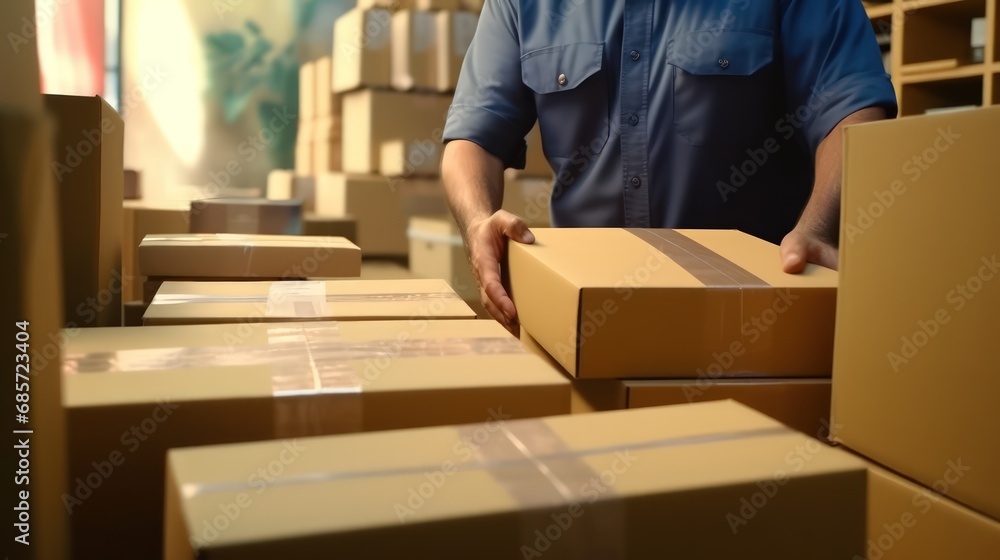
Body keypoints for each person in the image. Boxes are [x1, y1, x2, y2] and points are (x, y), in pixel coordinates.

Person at [441, 0, 897, 334]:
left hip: (753, 314)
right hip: (584, 311)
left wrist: (820, 227)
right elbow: (473, 136)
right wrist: (479, 220)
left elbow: (850, 109)